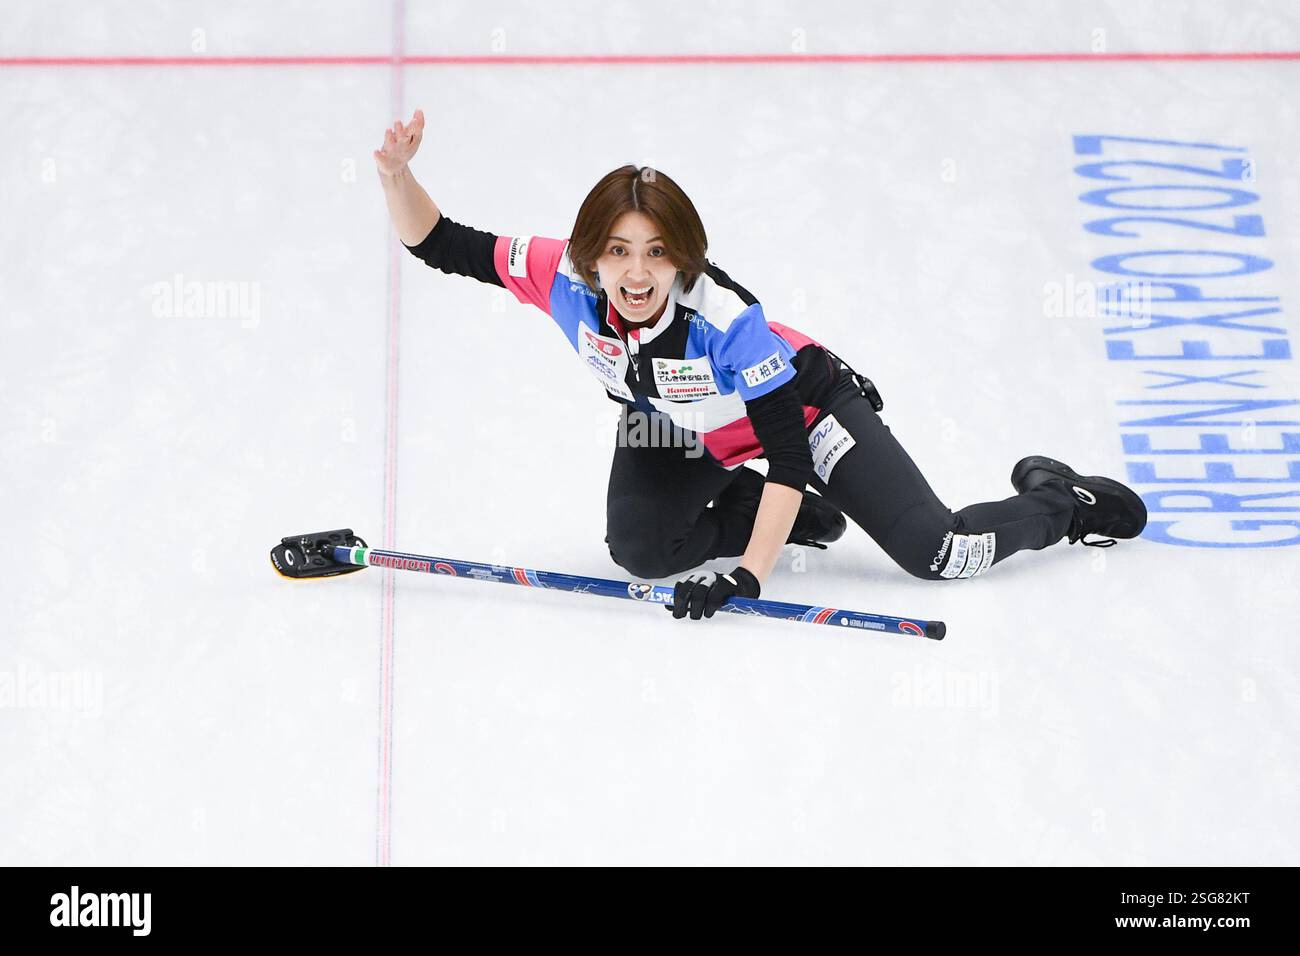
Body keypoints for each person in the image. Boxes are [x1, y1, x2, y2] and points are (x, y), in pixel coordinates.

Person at [374, 110, 1147, 623]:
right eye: (617, 252)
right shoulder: (560, 276)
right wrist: (395, 176)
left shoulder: (728, 323)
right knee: (643, 550)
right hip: (680, 428)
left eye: (656, 253)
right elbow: (441, 244)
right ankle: (791, 519)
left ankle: (1064, 502)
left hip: (804, 420)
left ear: (682, 258)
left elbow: (784, 454)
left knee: (943, 556)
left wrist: (748, 576)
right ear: (589, 256)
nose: (636, 275)